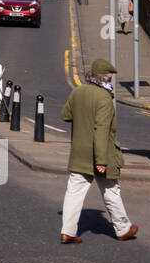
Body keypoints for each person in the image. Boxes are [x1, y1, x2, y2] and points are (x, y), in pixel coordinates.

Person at [59, 58, 137, 244]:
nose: (110, 82)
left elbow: (65, 115)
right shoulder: (104, 98)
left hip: (79, 153)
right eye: (110, 79)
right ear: (105, 79)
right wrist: (101, 161)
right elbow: (101, 130)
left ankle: (67, 232)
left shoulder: (77, 92)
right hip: (100, 154)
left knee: (74, 192)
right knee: (111, 190)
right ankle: (123, 228)